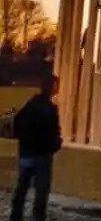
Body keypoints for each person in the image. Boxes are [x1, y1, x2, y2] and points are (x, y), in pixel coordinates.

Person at [9, 76, 62, 221]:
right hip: (42, 156)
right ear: (51, 88)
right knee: (41, 191)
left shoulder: (30, 104)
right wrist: (56, 144)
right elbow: (53, 133)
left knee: (22, 188)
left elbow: (17, 122)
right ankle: (38, 218)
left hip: (26, 153)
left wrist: (24, 142)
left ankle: (15, 216)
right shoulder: (50, 110)